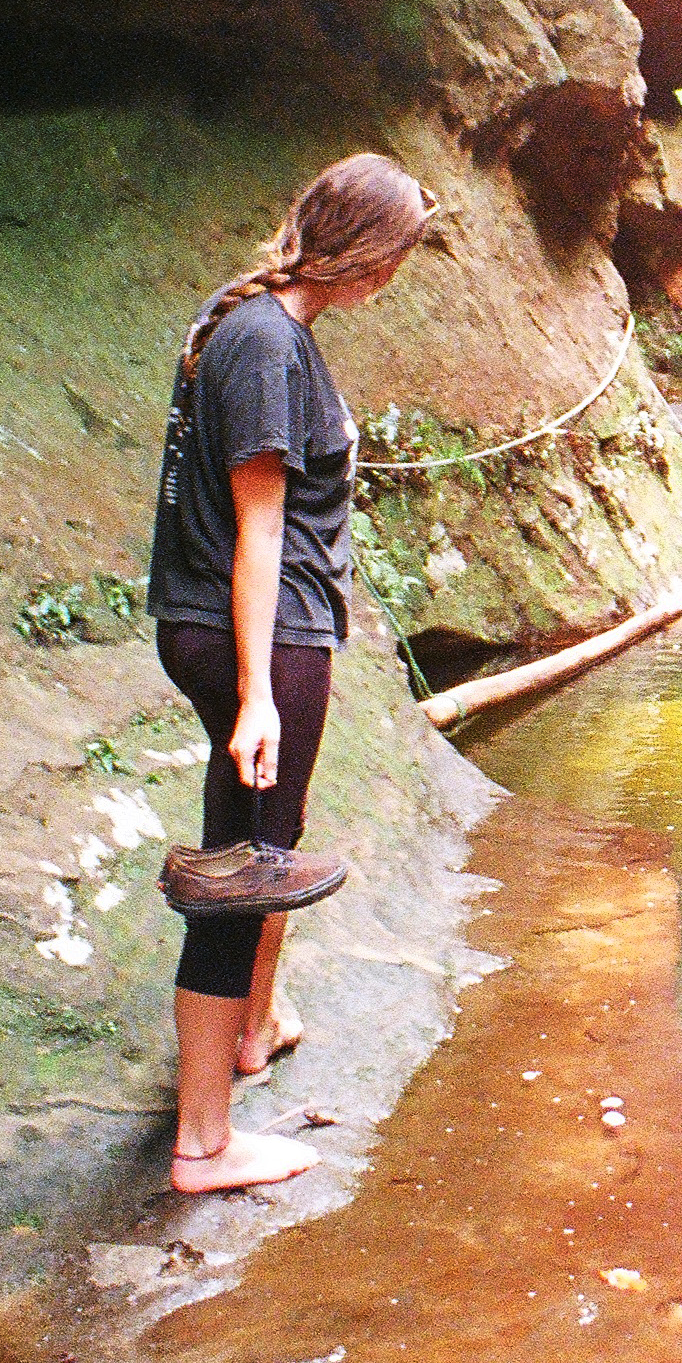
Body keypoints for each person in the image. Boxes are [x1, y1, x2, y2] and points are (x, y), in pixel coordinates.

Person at [143, 151, 437, 1192]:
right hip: (257, 637)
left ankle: (256, 1026)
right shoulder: (267, 342)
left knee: (265, 842)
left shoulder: (253, 318)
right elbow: (258, 527)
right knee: (243, 868)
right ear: (369, 254)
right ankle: (203, 1144)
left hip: (239, 631)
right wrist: (261, 691)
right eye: (397, 254)